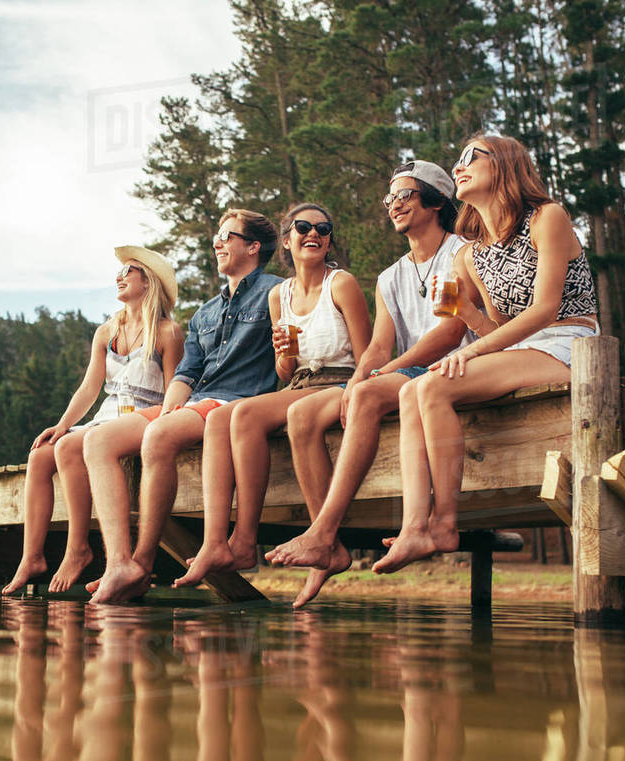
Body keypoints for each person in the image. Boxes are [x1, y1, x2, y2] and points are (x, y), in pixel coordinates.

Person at [372, 134, 598, 573]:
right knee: (411, 392)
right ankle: (416, 526)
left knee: (432, 386)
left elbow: (546, 310)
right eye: (457, 159)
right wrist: (466, 313)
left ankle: (443, 523)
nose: (459, 165)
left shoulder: (547, 218)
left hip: (570, 341)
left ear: (506, 164)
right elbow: (497, 330)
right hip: (523, 349)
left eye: (470, 157)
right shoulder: (470, 257)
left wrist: (473, 355)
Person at [264, 161, 476, 606]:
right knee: (340, 399)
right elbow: (377, 347)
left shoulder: (461, 253)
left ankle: (323, 533)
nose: (393, 205)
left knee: (366, 392)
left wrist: (381, 374)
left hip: (458, 368)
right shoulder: (391, 276)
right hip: (411, 374)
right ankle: (324, 537)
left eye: (404, 196)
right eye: (389, 199)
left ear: (436, 201)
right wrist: (363, 376)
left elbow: (451, 331)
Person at [83, 209, 283, 604]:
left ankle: (142, 560)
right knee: (98, 441)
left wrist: (171, 420)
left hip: (237, 402)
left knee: (158, 435)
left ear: (253, 246)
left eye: (228, 237)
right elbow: (186, 374)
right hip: (195, 402)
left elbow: (285, 359)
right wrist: (172, 408)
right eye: (217, 239)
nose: (218, 243)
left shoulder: (276, 292)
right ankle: (118, 562)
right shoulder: (206, 312)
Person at [173, 203, 371, 589]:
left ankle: (325, 539)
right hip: (298, 385)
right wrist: (285, 353)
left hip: (342, 381)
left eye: (322, 228)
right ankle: (239, 541)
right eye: (303, 227)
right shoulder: (279, 295)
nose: (313, 233)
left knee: (291, 416)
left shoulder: (342, 283)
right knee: (230, 416)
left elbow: (367, 355)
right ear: (287, 240)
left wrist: (356, 393)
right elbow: (284, 372)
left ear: (328, 242)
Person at [2, 247, 184, 594]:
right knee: (42, 453)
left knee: (71, 446)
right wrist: (61, 423)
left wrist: (168, 424)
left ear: (148, 282)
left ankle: (78, 549)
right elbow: (90, 388)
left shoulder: (167, 332)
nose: (119, 276)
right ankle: (32, 557)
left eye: (128, 271)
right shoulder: (107, 331)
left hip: (149, 414)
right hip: (107, 414)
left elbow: (177, 385)